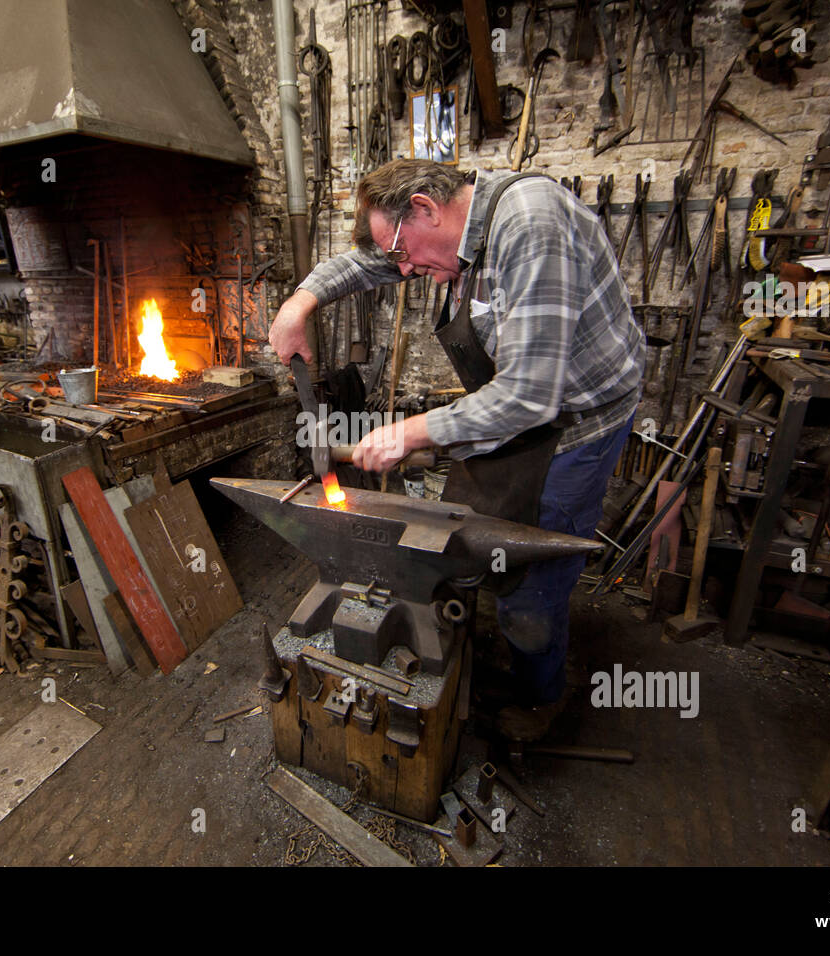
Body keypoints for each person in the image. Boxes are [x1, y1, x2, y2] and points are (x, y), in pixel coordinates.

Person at [268, 159, 644, 740]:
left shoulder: (529, 226)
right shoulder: (445, 230)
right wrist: (300, 303)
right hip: (511, 410)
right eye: (401, 261)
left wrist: (410, 433)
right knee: (468, 540)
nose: (409, 271)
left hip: (574, 424)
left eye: (407, 254)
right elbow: (369, 261)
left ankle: (541, 696)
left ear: (424, 207)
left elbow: (528, 396)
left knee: (533, 579)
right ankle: (470, 643)